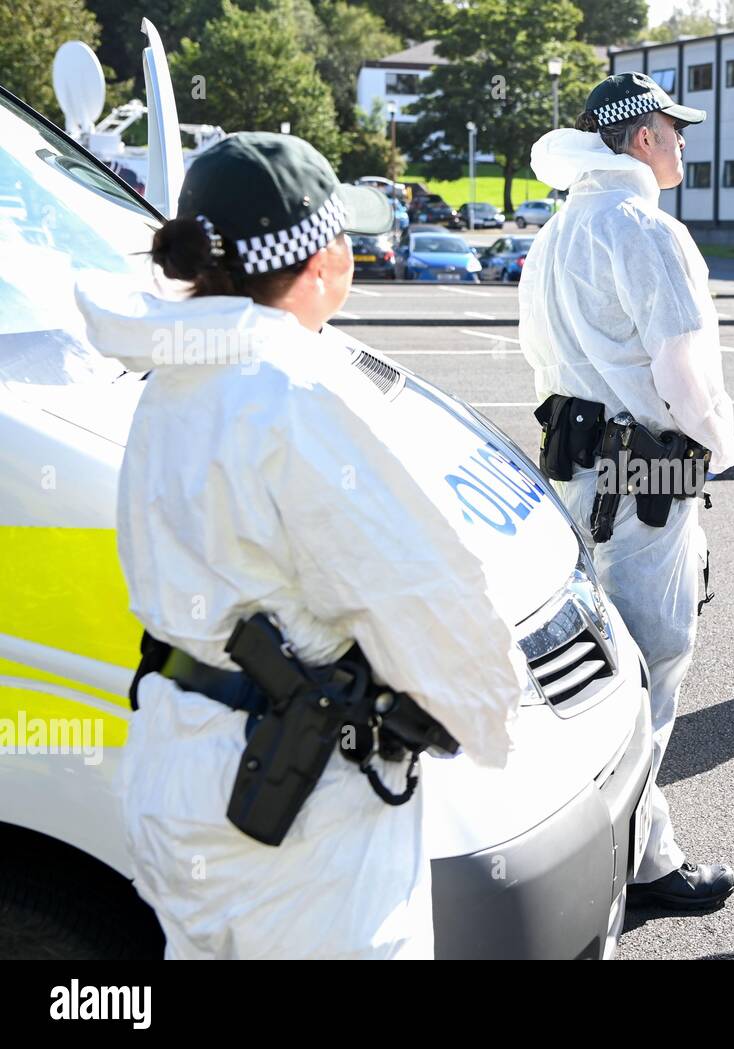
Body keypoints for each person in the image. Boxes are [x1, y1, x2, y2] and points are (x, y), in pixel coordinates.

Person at [75, 132, 532, 957]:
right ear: (319, 259)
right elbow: (428, 599)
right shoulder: (296, 393)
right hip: (298, 818)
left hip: (178, 760)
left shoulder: (173, 376)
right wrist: (495, 724)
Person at [519, 72, 734, 911]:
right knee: (651, 664)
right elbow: (683, 371)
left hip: (573, 470)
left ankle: (592, 841)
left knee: (583, 671)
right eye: (673, 129)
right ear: (642, 136)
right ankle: (645, 859)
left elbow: (546, 365)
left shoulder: (554, 234)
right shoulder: (645, 229)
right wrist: (721, 446)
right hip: (649, 474)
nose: (683, 142)